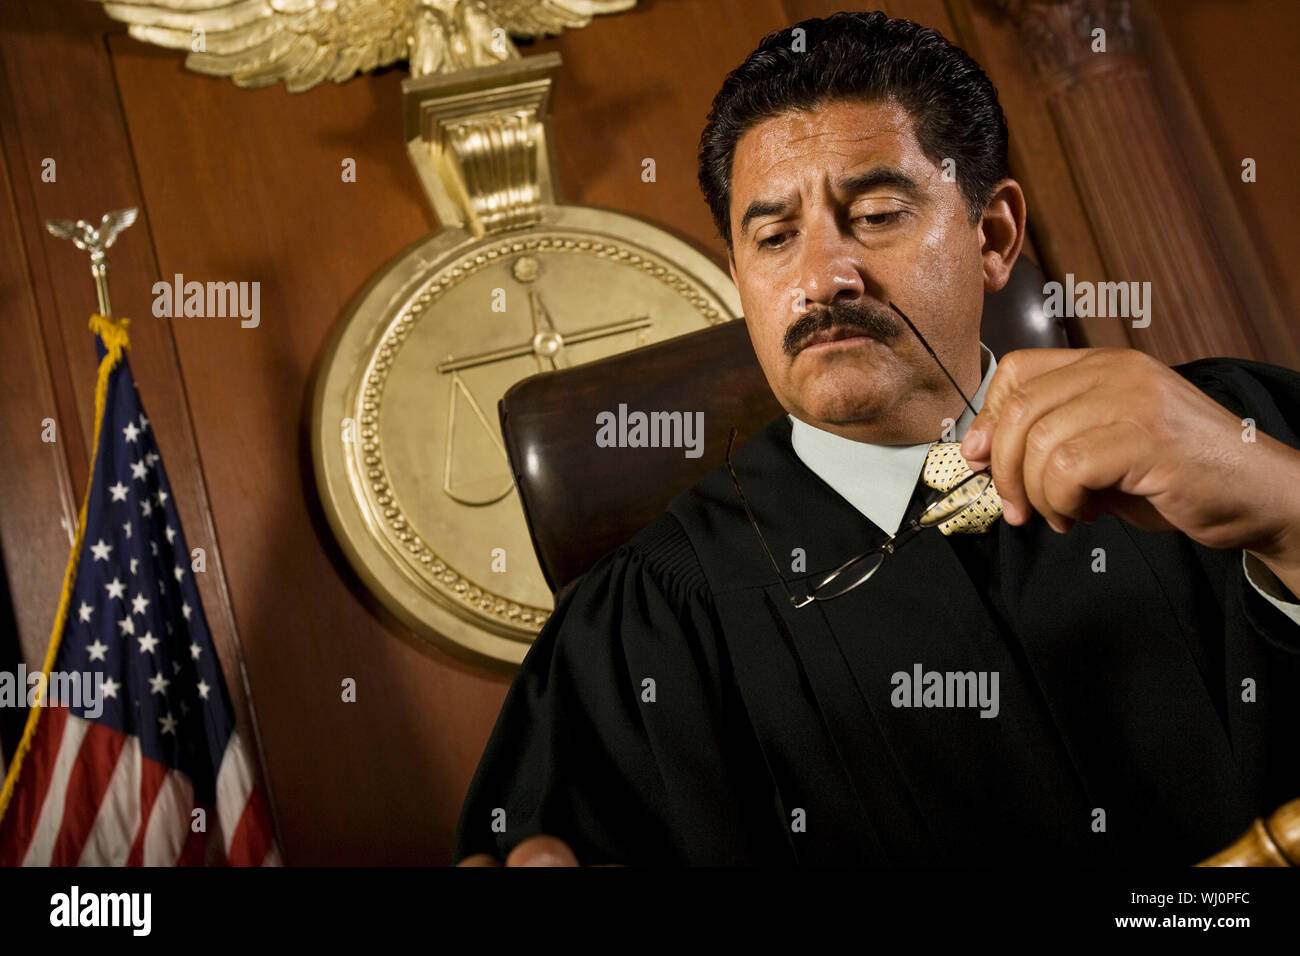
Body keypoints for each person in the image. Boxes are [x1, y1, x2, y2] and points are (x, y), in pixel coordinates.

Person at [453, 11, 1300, 866]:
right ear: (742, 279)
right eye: (775, 238)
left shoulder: (1237, 430)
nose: (822, 277)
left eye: (879, 212)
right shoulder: (645, 630)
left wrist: (1289, 514)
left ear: (994, 235)